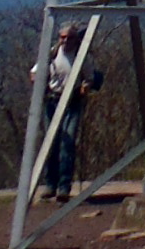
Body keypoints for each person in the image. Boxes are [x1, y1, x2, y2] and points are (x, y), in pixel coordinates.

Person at [32, 24, 103, 199]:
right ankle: (50, 185)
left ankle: (64, 187)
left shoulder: (81, 56)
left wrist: (86, 86)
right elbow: (35, 72)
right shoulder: (52, 54)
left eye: (69, 37)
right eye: (62, 37)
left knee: (68, 143)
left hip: (72, 102)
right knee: (51, 143)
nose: (65, 41)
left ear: (76, 39)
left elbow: (90, 78)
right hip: (53, 101)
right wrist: (38, 81)